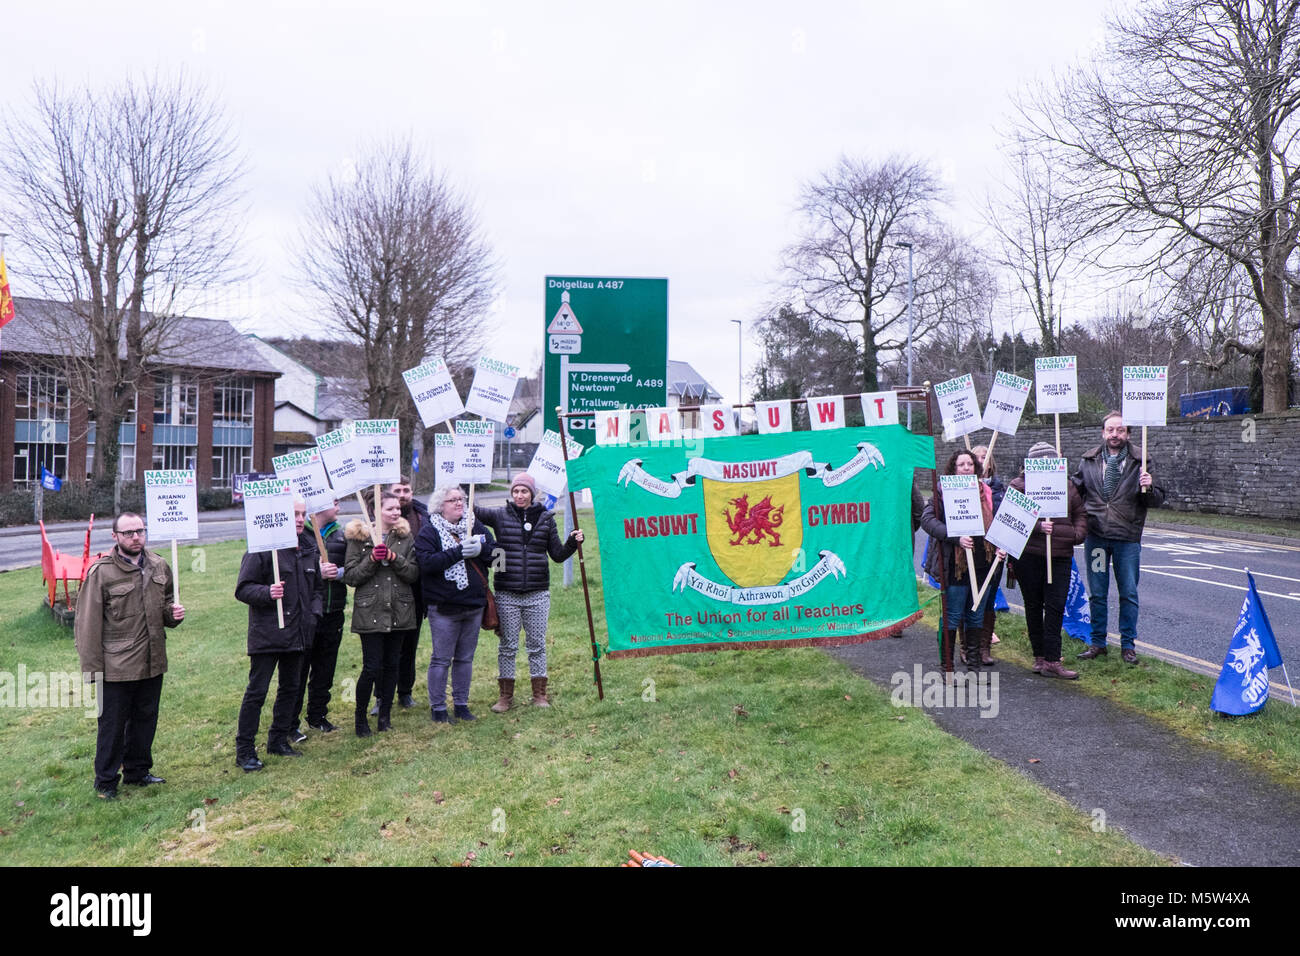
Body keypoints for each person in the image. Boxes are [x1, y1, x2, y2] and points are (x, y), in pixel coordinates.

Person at [74, 512, 185, 799]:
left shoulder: (159, 565)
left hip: (152, 661)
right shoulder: (102, 573)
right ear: (115, 537)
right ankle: (106, 781)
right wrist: (93, 671)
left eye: (140, 531)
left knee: (146, 720)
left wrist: (174, 615)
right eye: (128, 533)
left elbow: (167, 605)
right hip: (116, 667)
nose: (135, 537)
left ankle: (137, 771)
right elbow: (87, 626)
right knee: (111, 727)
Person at [474, 473, 583, 711]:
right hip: (507, 593)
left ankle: (539, 695)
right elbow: (472, 509)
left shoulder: (545, 519)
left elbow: (557, 554)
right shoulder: (500, 515)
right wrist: (466, 482)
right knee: (508, 645)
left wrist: (573, 542)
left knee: (536, 645)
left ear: (532, 494)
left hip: (537, 594)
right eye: (515, 491)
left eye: (524, 491)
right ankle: (505, 697)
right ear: (511, 494)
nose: (519, 495)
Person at [234, 500, 322, 770]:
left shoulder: (308, 548)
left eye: (303, 514)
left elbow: (317, 588)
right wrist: (267, 593)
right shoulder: (261, 549)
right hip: (268, 633)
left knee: (291, 688)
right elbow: (243, 588)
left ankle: (278, 739)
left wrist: (314, 614)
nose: (299, 519)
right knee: (257, 692)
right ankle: (245, 750)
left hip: (299, 632)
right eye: (294, 514)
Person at [1072, 410, 1166, 664]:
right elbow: (1074, 493)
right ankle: (1098, 643)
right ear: (1103, 433)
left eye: (1120, 430)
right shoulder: (1088, 460)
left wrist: (1149, 485)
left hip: (1127, 538)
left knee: (1128, 593)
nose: (1115, 434)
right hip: (1097, 538)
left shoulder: (1142, 460)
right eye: (1110, 430)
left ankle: (1128, 646)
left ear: (1128, 434)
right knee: (1098, 593)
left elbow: (1156, 499)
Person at [415, 484, 496, 723]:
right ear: (441, 506)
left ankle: (461, 704)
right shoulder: (430, 531)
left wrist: (481, 549)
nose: (459, 503)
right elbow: (427, 564)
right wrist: (459, 552)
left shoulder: (474, 525)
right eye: (453, 500)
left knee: (465, 658)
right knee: (441, 658)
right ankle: (438, 707)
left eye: (461, 499)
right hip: (444, 607)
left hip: (473, 604)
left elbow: (496, 555)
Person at [920, 449, 1007, 671]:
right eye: (962, 464)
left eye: (970, 464)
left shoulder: (985, 491)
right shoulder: (941, 492)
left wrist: (1001, 546)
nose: (967, 467)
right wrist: (956, 537)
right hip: (955, 567)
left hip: (983, 564)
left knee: (976, 617)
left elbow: (999, 524)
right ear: (953, 468)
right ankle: (947, 667)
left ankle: (974, 667)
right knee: (952, 616)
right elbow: (927, 520)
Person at [1008, 442, 1088, 679]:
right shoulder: (1019, 486)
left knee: (1055, 607)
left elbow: (1081, 515)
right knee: (1033, 606)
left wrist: (1074, 535)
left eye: (1049, 460)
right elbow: (1011, 518)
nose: (1045, 464)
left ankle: (1053, 660)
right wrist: (1038, 526)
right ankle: (1039, 657)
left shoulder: (1068, 487)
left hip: (1059, 556)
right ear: (1030, 464)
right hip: (1028, 557)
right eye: (1039, 461)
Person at [345, 490, 420, 736]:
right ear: (376, 511)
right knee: (372, 667)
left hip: (399, 611)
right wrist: (372, 560)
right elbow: (352, 576)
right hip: (371, 612)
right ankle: (360, 719)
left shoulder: (406, 538)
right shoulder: (360, 538)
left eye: (398, 508)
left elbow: (412, 574)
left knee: (392, 666)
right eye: (390, 508)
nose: (396, 512)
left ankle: (385, 717)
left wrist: (393, 558)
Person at [291, 501, 346, 735]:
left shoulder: (341, 535)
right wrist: (316, 570)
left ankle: (318, 715)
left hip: (333, 610)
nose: (339, 508)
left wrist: (341, 572)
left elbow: (353, 567)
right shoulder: (300, 534)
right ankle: (290, 722)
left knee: (325, 669)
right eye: (334, 503)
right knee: (299, 671)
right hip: (307, 613)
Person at [389, 476, 428, 710]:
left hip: (415, 593)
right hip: (385, 594)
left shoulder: (424, 517)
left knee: (409, 647)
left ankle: (405, 691)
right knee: (384, 649)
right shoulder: (378, 518)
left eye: (406, 489)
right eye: (397, 490)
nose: (403, 494)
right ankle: (381, 695)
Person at [970, 443, 1006, 663]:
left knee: (989, 596)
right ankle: (969, 646)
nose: (982, 460)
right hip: (971, 550)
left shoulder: (1000, 488)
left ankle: (984, 648)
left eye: (986, 456)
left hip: (994, 551)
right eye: (978, 457)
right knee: (971, 597)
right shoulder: (964, 487)